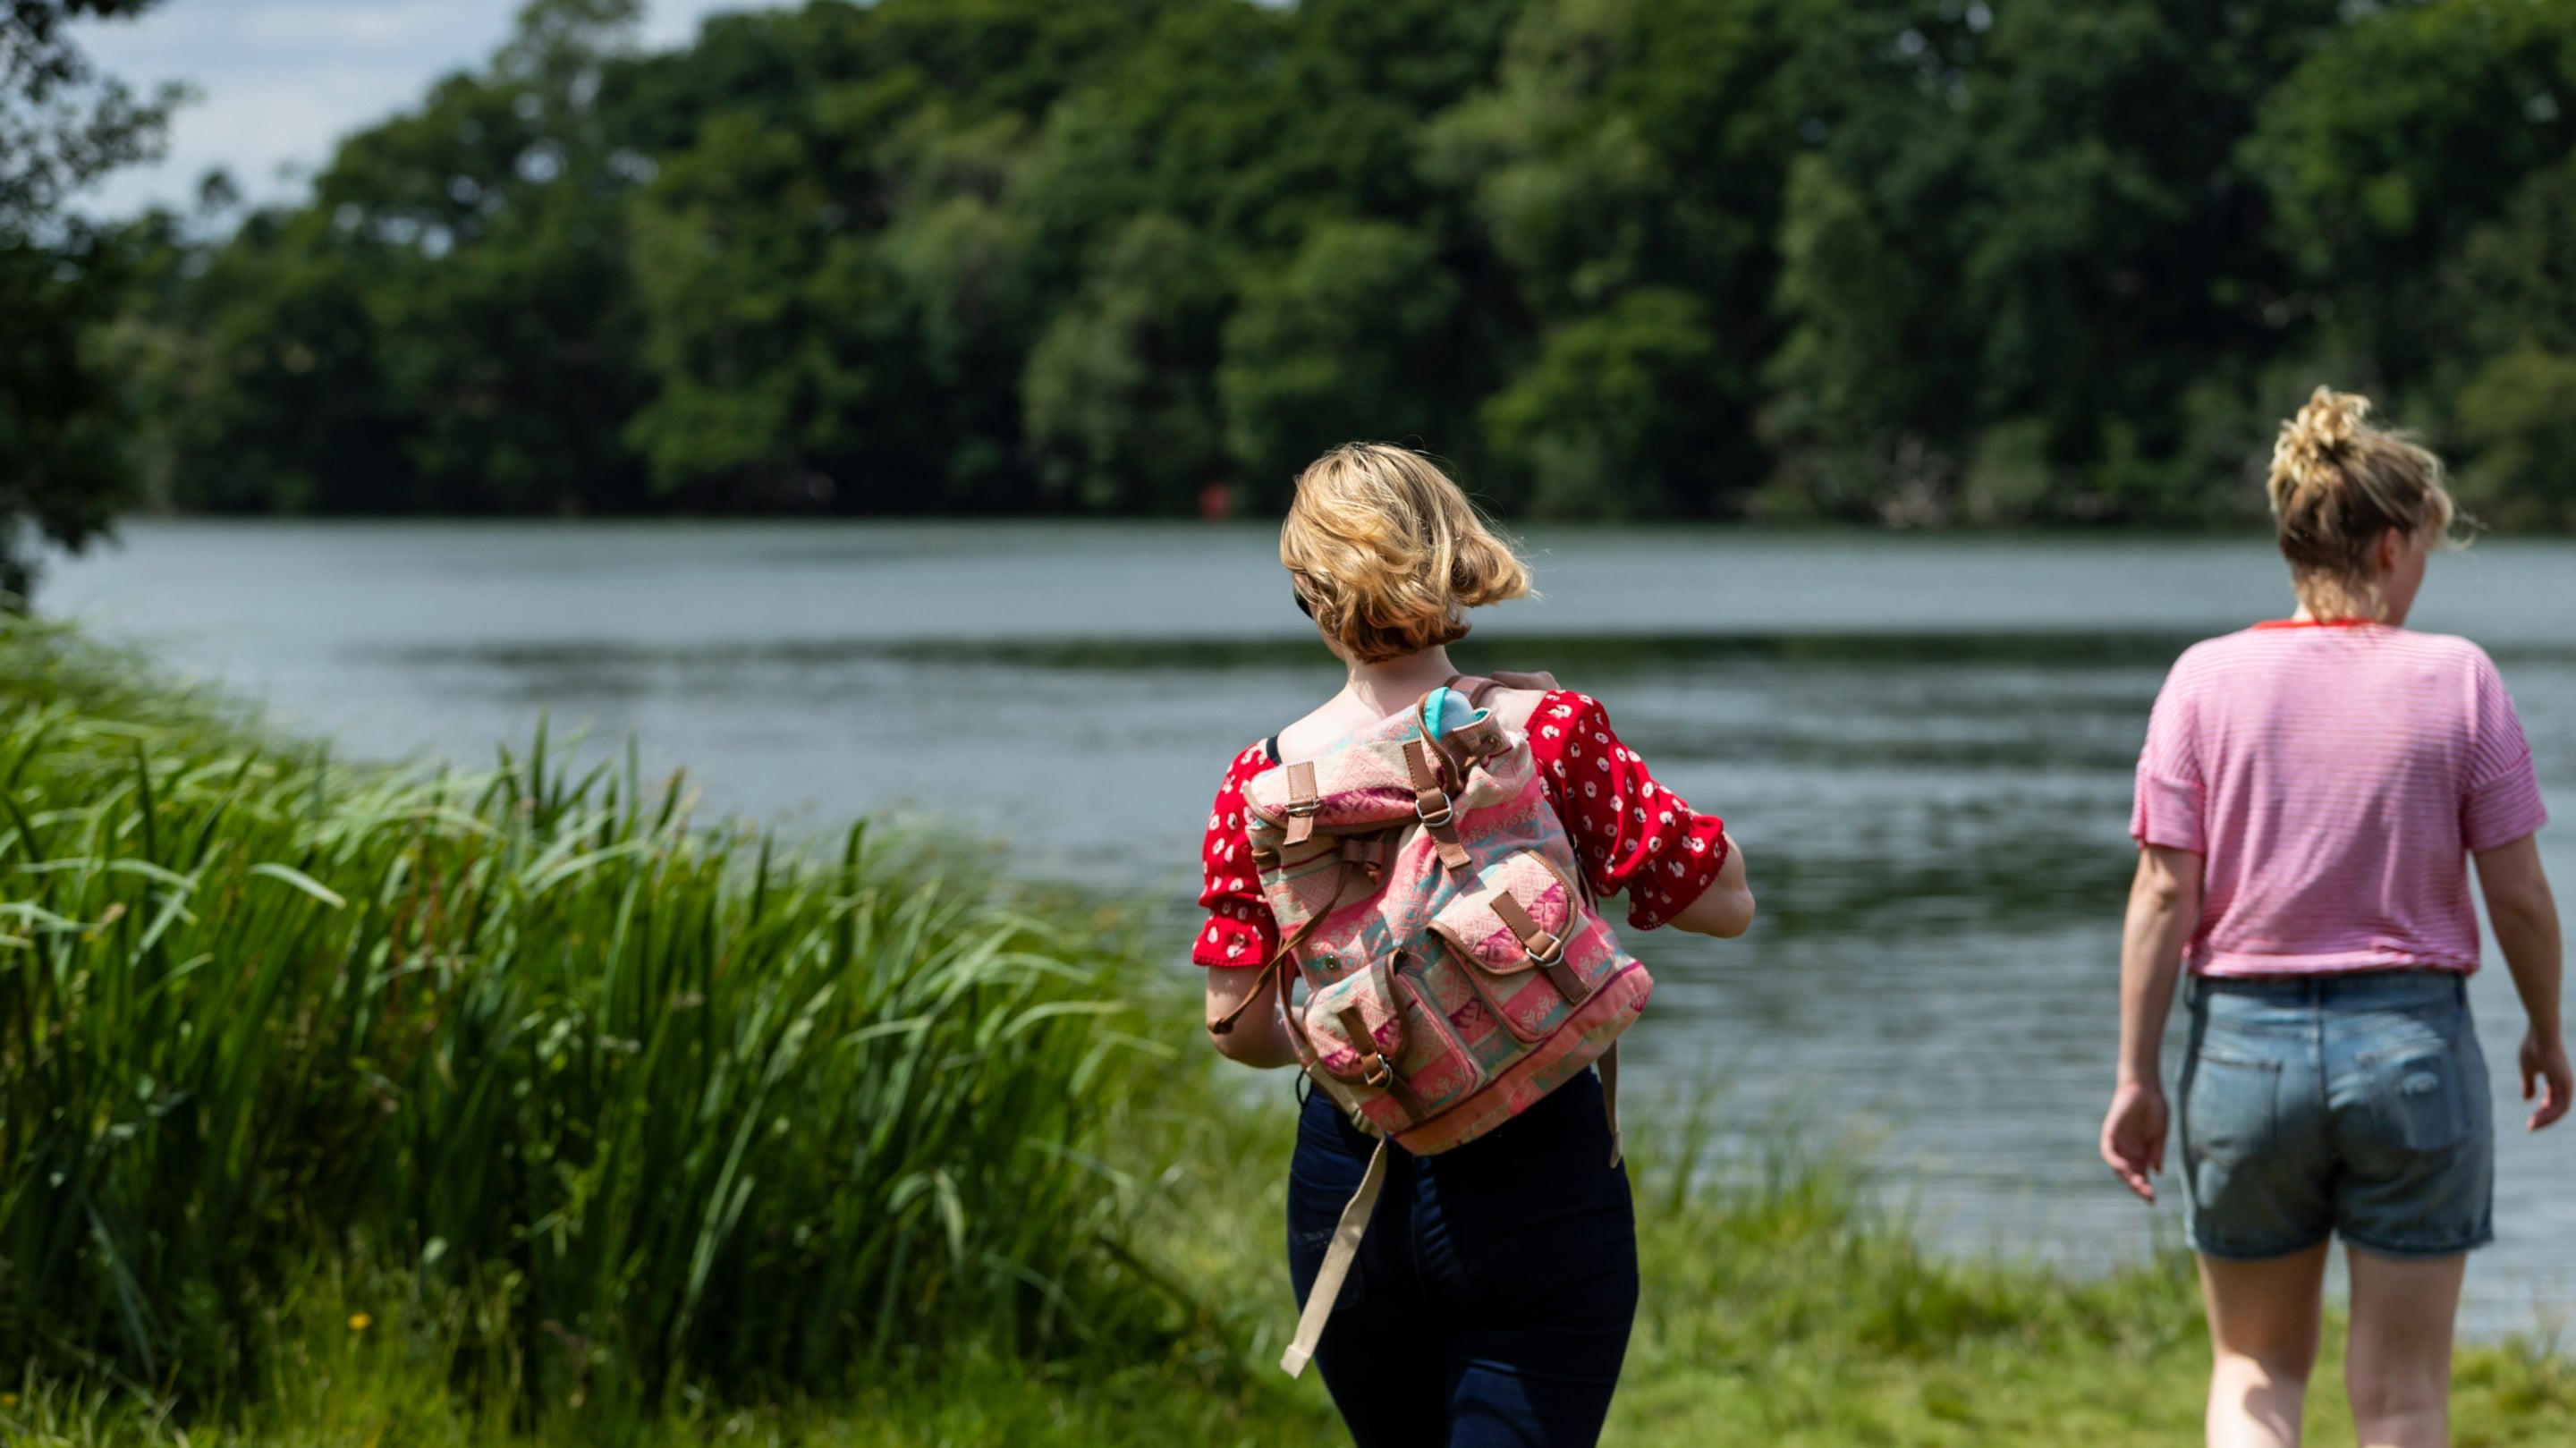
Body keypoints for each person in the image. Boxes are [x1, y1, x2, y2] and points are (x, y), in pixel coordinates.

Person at [1193, 443, 1754, 1447]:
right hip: (1537, 1168)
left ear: (1307, 590)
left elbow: (1234, 1025)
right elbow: (1723, 902)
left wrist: (1375, 1014)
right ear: (1456, 557)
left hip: (1349, 1183)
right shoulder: (1548, 728)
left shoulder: (1261, 778)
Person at [2099, 388, 2570, 1448]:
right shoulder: (2460, 679)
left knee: (2255, 1371)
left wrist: (2135, 1075)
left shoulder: (2202, 680)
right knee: (2404, 1396)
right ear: (2395, 546)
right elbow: (2521, 894)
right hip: (2412, 1048)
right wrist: (2546, 1027)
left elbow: (2164, 895)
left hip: (2242, 1054)